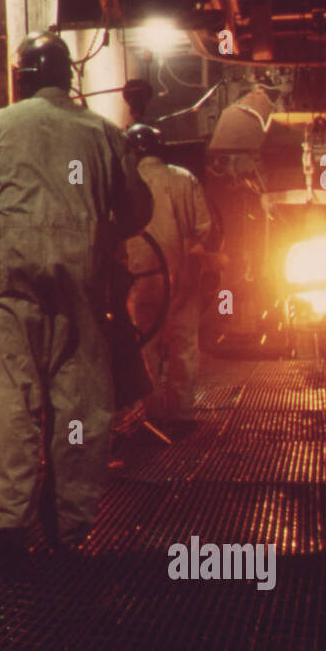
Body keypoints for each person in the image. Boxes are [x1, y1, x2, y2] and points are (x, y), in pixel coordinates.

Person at [0, 31, 152, 554]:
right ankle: (70, 527)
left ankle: (8, 525)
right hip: (80, 275)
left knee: (17, 398)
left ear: (22, 77)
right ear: (69, 78)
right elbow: (135, 212)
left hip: (11, 274)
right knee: (79, 401)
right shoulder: (103, 132)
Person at [124, 123, 215, 428]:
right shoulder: (184, 178)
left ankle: (152, 414)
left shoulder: (129, 183)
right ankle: (182, 414)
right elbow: (206, 228)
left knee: (146, 343)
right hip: (185, 275)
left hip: (143, 276)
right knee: (184, 344)